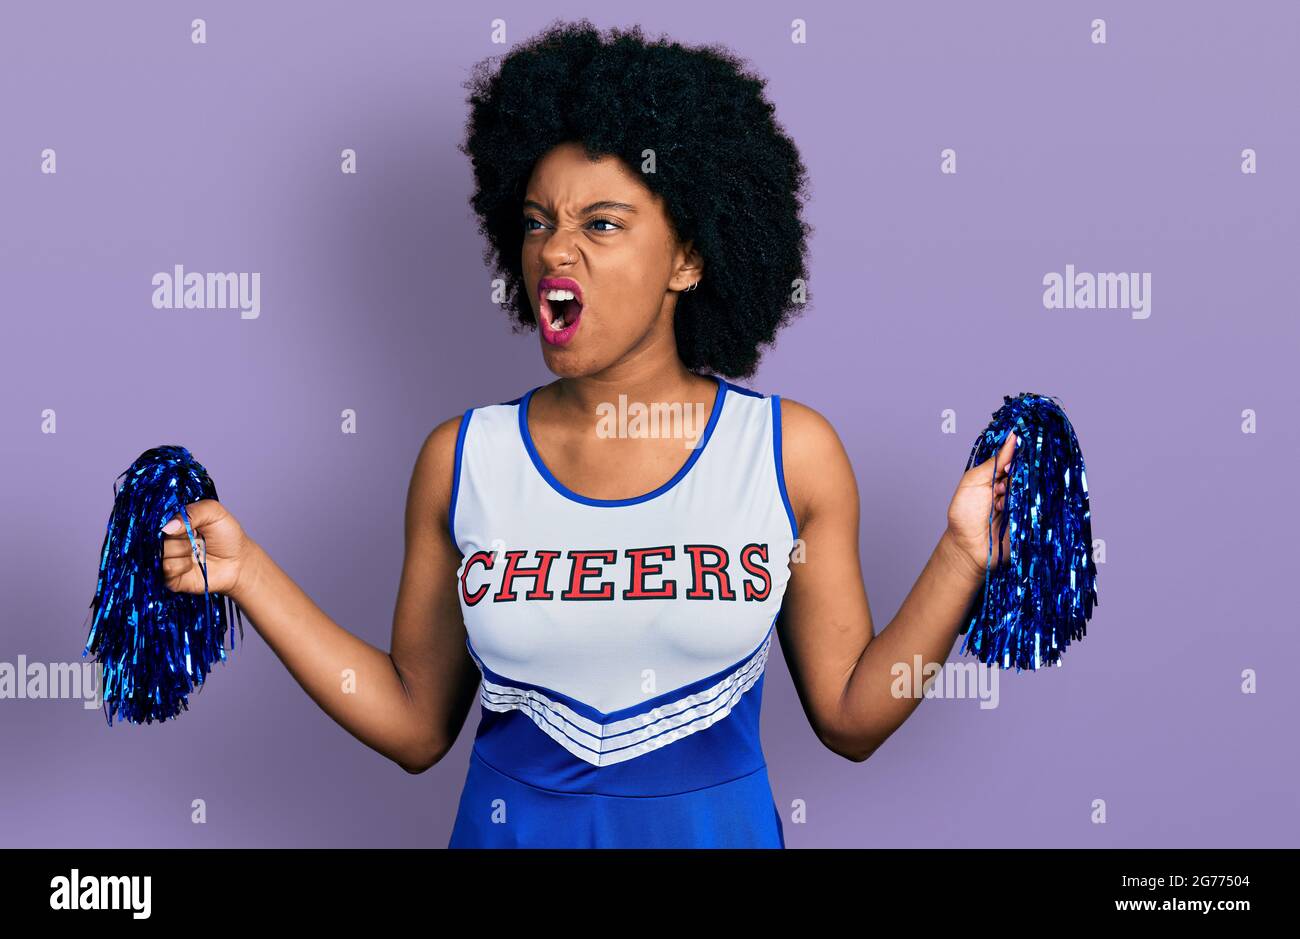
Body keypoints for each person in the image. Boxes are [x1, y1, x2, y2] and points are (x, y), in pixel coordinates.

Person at [158, 19, 1016, 848]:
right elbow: (416, 724)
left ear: (689, 258)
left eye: (601, 224)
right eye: (538, 221)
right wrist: (249, 574)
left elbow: (851, 716)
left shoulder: (787, 454)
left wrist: (959, 554)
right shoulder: (462, 460)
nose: (554, 252)